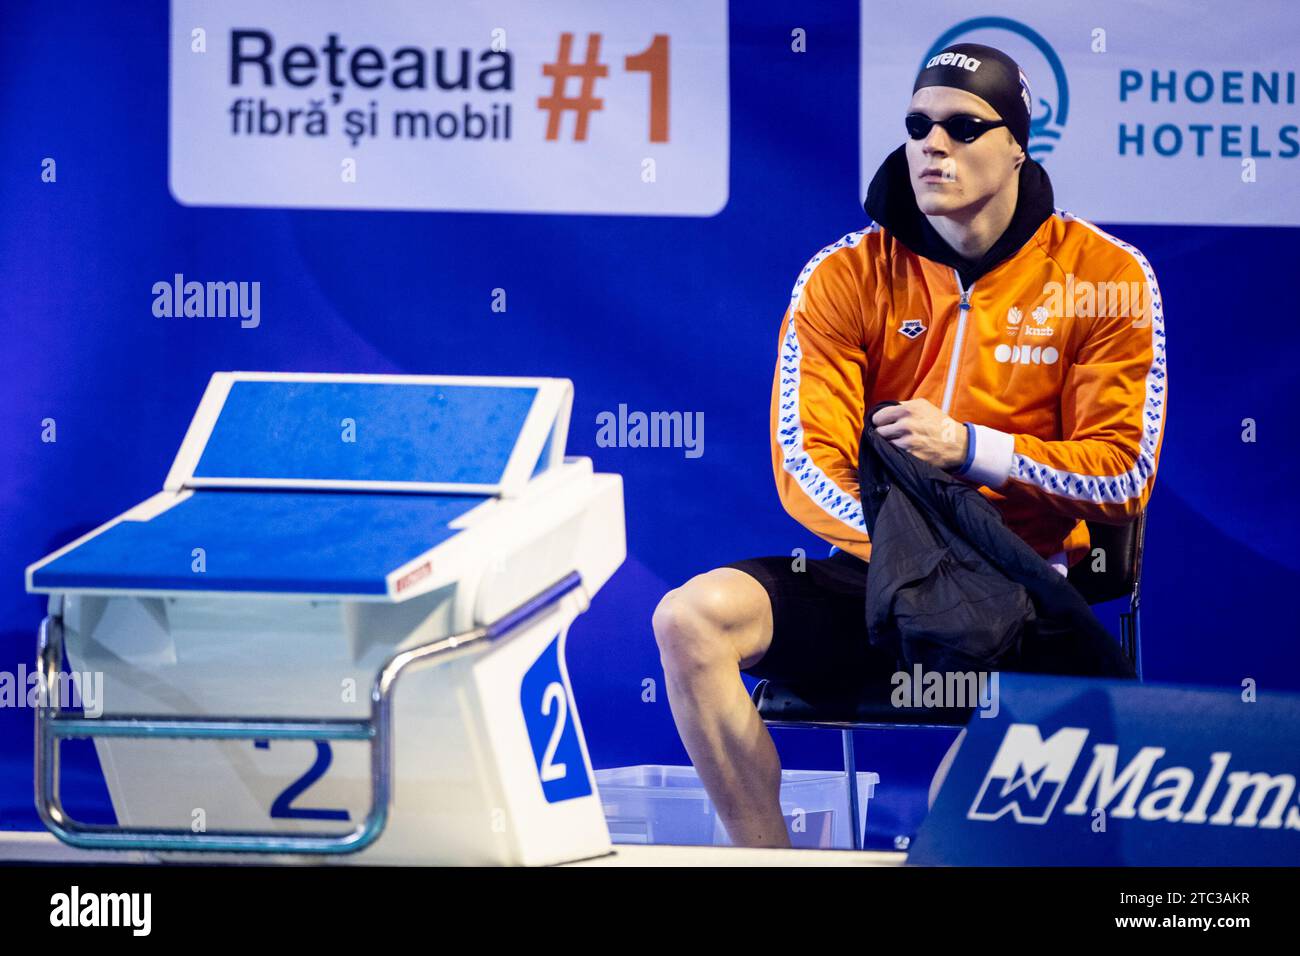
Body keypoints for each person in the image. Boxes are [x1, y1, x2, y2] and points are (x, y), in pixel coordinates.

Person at [652, 43, 1167, 848]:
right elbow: (805, 462)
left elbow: (1119, 476)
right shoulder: (845, 275)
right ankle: (768, 865)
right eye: (918, 124)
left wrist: (969, 448)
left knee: (952, 816)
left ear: (1018, 143)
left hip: (1023, 595)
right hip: (876, 579)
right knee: (690, 620)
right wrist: (911, 555)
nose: (934, 144)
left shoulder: (1105, 277)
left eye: (963, 126)